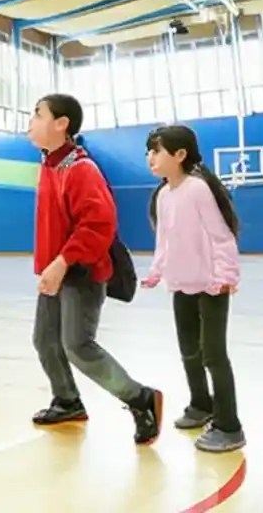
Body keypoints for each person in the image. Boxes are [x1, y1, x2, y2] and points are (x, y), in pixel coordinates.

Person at [26, 93, 163, 445]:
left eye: (38, 114)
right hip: (56, 272)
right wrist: (48, 267)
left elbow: (98, 225)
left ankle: (140, 398)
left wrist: (62, 262)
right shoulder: (50, 165)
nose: (30, 120)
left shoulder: (80, 169)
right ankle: (67, 400)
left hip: (81, 272)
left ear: (61, 124)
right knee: (45, 340)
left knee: (78, 345)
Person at [142, 125, 245, 453]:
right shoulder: (163, 195)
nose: (150, 157)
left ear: (180, 155)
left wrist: (225, 275)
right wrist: (157, 270)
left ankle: (230, 425)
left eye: (156, 151)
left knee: (214, 354)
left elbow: (221, 235)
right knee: (189, 350)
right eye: (149, 151)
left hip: (212, 285)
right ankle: (201, 404)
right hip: (181, 284)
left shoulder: (198, 189)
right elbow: (164, 240)